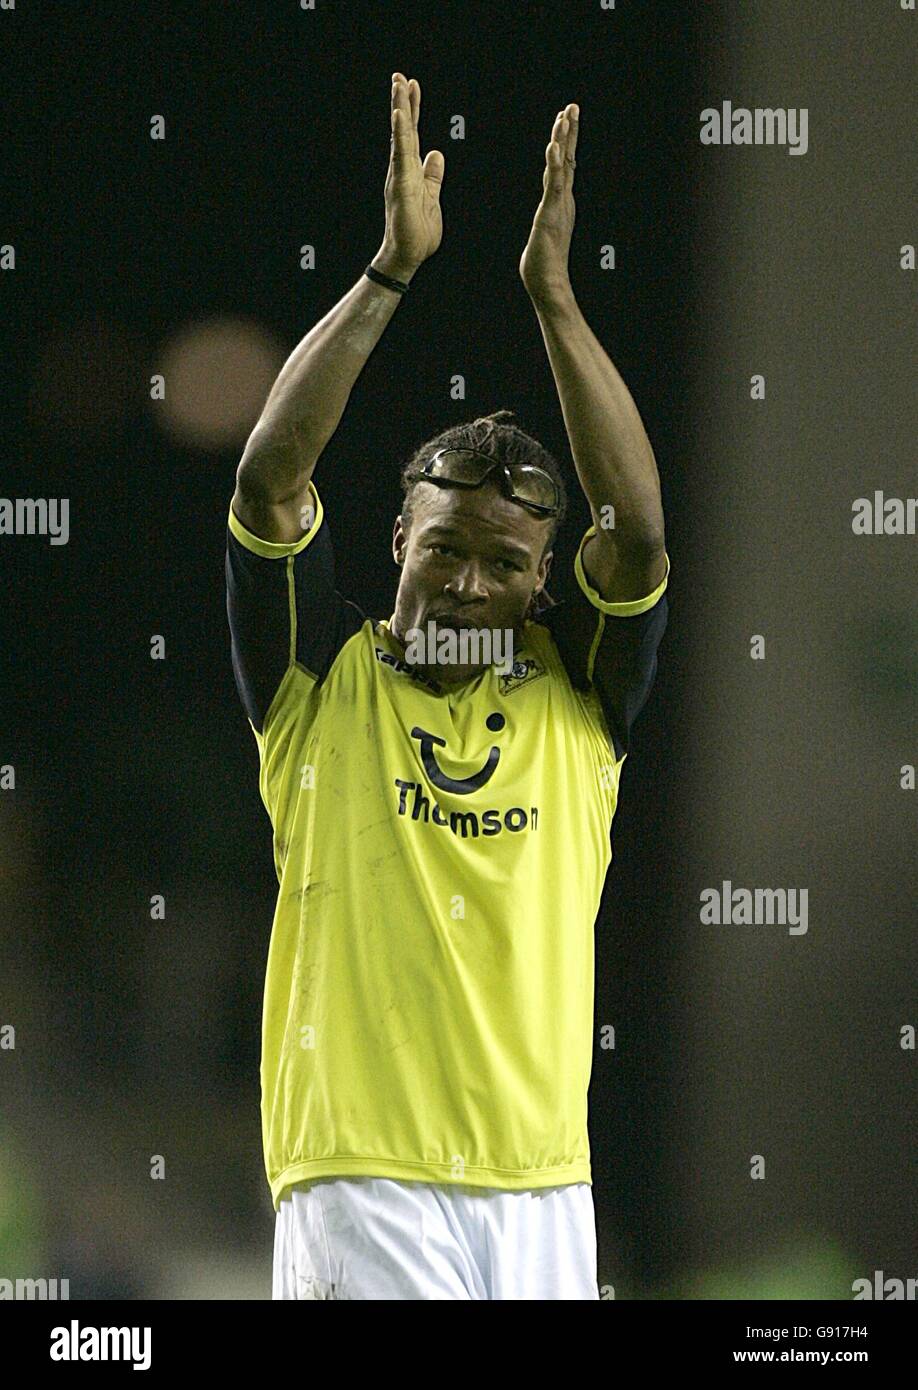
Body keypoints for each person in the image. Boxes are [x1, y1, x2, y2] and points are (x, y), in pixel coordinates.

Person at [226, 73, 670, 1300]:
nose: (468, 584)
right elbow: (269, 484)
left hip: (543, 1187)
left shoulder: (579, 699)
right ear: (395, 547)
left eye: (504, 562)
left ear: (541, 583)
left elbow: (635, 534)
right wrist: (387, 275)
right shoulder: (317, 682)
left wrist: (556, 302)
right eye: (443, 549)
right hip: (359, 1176)